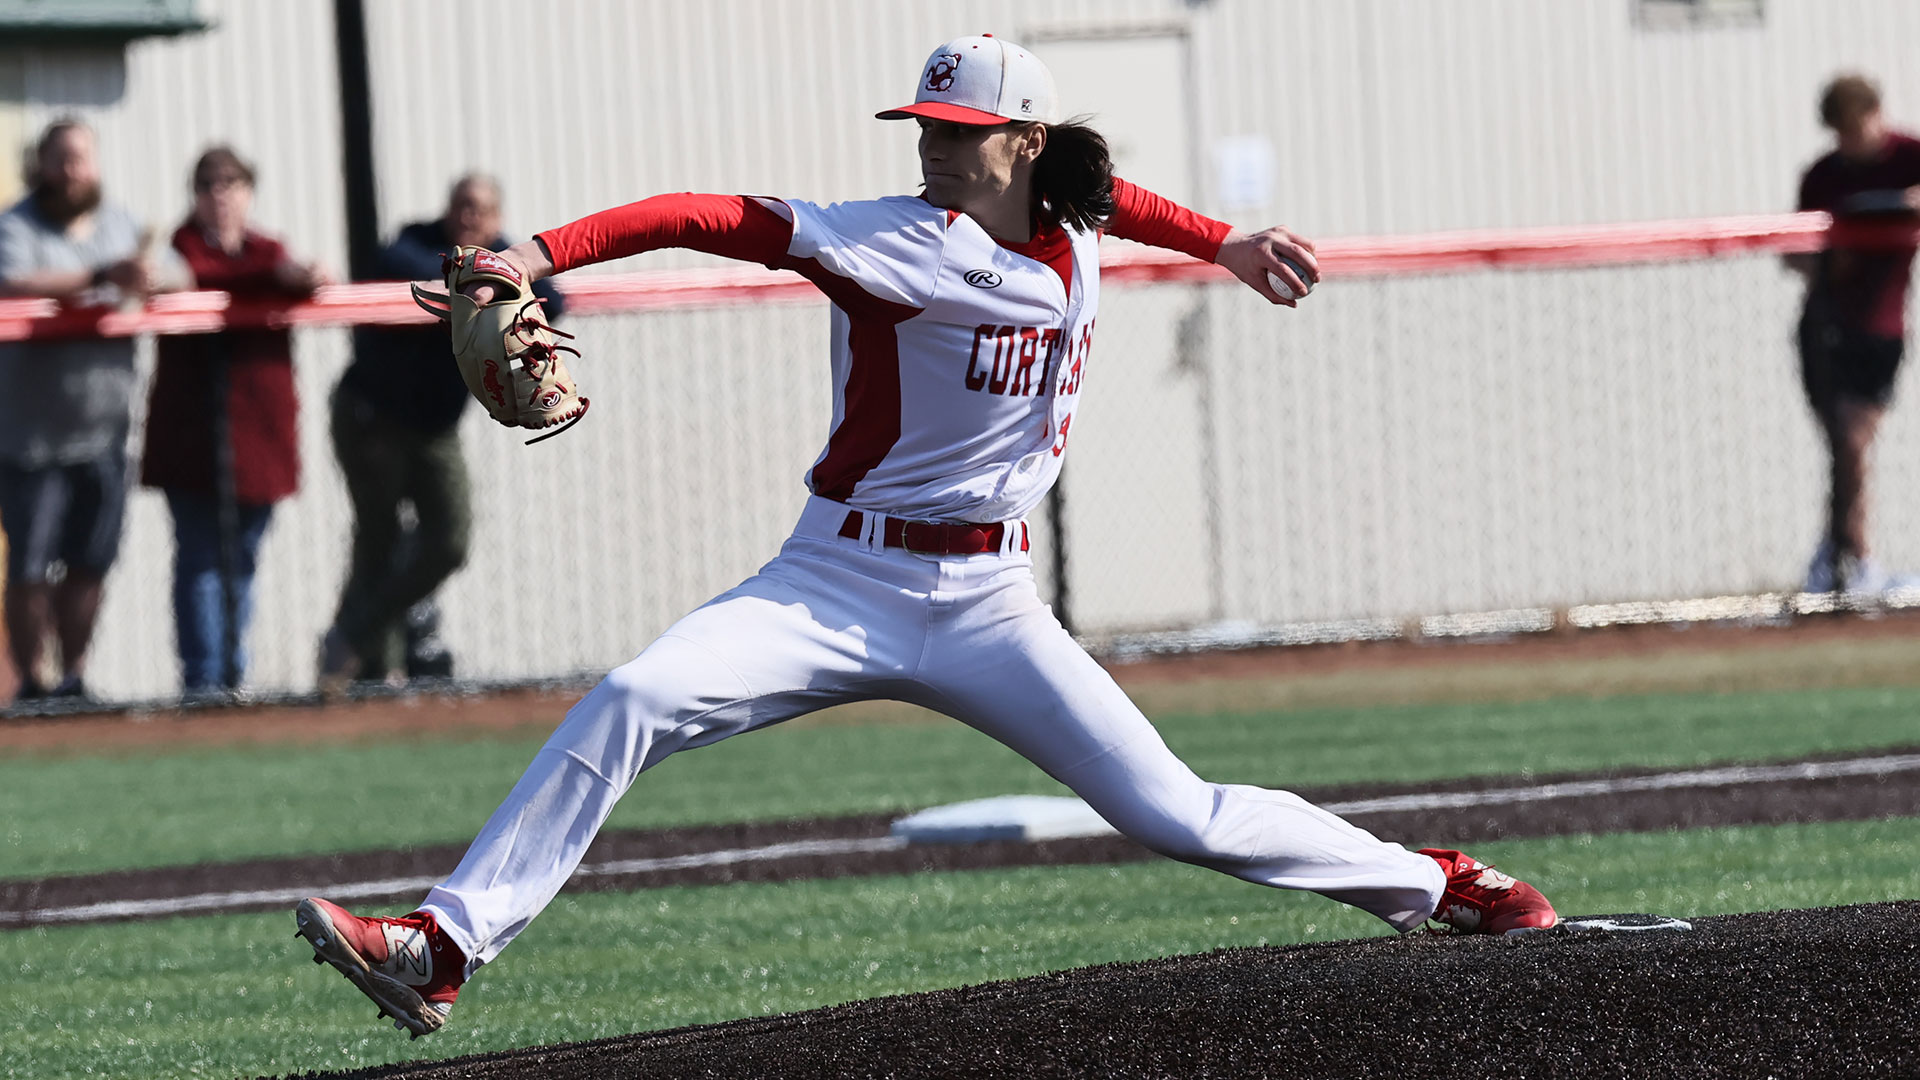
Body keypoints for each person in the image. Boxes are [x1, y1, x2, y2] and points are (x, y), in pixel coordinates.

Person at [295, 36, 1558, 1038]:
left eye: (959, 135)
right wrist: (537, 251)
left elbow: (1116, 200)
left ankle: (1441, 886)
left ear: (1025, 144)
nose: (934, 151)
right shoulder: (898, 238)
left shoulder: (1072, 230)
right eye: (925, 130)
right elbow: (708, 214)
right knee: (632, 698)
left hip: (993, 607)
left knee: (1180, 812)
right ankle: (444, 947)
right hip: (835, 577)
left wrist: (1222, 240)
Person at [317, 174, 564, 689]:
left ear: (498, 218)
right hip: (373, 416)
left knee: (450, 540)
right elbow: (405, 274)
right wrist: (484, 287)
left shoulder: (504, 254)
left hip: (435, 427)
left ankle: (354, 635)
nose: (469, 216)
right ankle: (370, 676)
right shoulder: (415, 243)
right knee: (380, 539)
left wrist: (487, 286)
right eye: (461, 205)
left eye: (481, 209)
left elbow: (554, 296)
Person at [0, 118, 189, 704]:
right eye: (61, 159)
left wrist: (148, 279)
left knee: (90, 562)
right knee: (30, 567)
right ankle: (33, 682)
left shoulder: (121, 225)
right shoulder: (17, 225)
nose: (72, 170)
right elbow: (11, 281)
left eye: (82, 158)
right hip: (28, 438)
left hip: (104, 433)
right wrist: (100, 275)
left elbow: (182, 275)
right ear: (41, 165)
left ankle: (75, 675)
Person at [140, 146, 331, 695]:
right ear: (194, 195)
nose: (220, 193)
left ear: (249, 191)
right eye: (208, 184)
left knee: (242, 557)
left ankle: (232, 676)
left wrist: (301, 275)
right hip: (191, 432)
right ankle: (205, 683)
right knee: (200, 556)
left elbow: (291, 275)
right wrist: (278, 277)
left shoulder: (272, 253)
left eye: (232, 182)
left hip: (259, 433)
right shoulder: (178, 252)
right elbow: (185, 275)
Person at [1790, 73, 1920, 594]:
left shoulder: (1910, 157)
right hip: (1825, 325)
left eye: (1856, 128)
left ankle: (1845, 554)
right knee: (1843, 444)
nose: (1850, 141)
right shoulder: (1823, 176)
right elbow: (1794, 255)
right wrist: (1831, 254)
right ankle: (1844, 553)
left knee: (1853, 440)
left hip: (1881, 327)